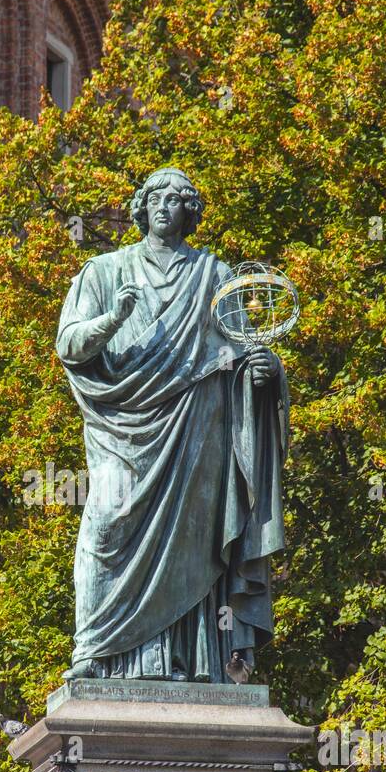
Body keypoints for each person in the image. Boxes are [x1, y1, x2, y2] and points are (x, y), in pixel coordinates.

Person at [56, 167, 288, 683]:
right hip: (123, 427)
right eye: (156, 197)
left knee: (196, 540)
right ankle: (94, 648)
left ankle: (193, 661)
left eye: (178, 199)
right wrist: (111, 321)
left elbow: (245, 352)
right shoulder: (104, 271)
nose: (165, 206)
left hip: (198, 426)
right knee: (106, 517)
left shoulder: (215, 275)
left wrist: (265, 374)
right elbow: (69, 345)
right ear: (142, 208)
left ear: (191, 212)